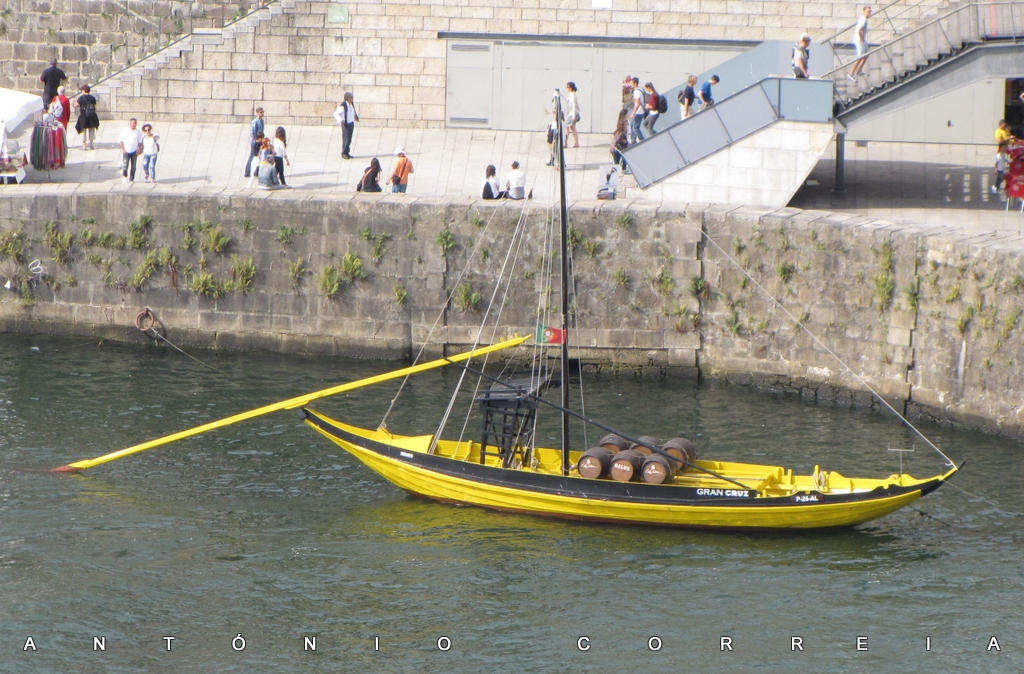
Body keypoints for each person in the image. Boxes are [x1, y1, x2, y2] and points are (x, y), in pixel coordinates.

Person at [73, 84, 100, 150]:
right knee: (91, 130)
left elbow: (75, 105)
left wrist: (76, 101)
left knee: (83, 130)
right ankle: (91, 145)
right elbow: (95, 107)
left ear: (84, 90)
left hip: (84, 116)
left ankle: (84, 145)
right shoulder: (92, 98)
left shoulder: (81, 98)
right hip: (91, 116)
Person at [849, 6, 872, 80]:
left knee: (867, 53)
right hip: (859, 40)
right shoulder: (863, 19)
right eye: (868, 11)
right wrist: (862, 39)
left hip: (862, 39)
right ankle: (851, 73)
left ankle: (859, 70)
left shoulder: (864, 19)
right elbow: (859, 30)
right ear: (864, 11)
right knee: (860, 56)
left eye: (870, 11)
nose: (870, 13)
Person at [334, 92, 359, 160]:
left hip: (351, 123)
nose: (352, 99)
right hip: (346, 124)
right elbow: (336, 113)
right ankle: (344, 153)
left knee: (349, 139)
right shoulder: (343, 106)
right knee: (346, 139)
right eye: (351, 98)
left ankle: (347, 152)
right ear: (348, 99)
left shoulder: (351, 105)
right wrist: (341, 120)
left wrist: (355, 117)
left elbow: (352, 112)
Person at [117, 118, 143, 184]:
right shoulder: (125, 130)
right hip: (126, 151)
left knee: (133, 167)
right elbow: (120, 141)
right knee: (125, 166)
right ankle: (124, 176)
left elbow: (139, 142)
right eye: (133, 123)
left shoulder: (137, 132)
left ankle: (131, 178)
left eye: (135, 123)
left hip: (134, 151)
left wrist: (139, 149)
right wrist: (123, 149)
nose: (135, 125)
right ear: (130, 123)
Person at [244, 107, 265, 178]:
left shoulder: (262, 121)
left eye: (262, 112)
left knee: (259, 157)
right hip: (255, 142)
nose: (262, 114)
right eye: (260, 112)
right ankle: (247, 172)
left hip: (260, 141)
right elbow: (252, 133)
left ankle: (257, 172)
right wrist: (256, 140)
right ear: (257, 113)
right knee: (252, 156)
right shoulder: (255, 122)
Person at [564, 81, 580, 148]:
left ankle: (565, 143)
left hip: (572, 113)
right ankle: (576, 143)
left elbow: (574, 105)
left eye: (568, 87)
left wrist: (573, 115)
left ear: (571, 88)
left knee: (566, 127)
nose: (567, 88)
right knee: (573, 128)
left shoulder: (572, 95)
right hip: (571, 113)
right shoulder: (571, 94)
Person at [630, 76, 645, 144]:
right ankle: (633, 140)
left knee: (635, 127)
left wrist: (634, 112)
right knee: (632, 124)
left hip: (639, 112)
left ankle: (643, 140)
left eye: (631, 83)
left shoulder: (636, 92)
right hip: (642, 111)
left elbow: (638, 103)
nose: (631, 85)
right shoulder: (641, 89)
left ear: (635, 83)